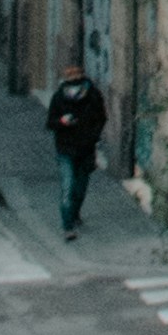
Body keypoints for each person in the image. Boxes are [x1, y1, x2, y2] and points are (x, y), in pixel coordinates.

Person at [46, 66, 106, 237]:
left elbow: (101, 118)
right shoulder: (59, 98)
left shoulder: (93, 96)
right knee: (67, 186)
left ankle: (75, 213)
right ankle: (67, 226)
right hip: (65, 148)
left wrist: (92, 136)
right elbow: (50, 122)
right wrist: (61, 121)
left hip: (86, 149)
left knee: (79, 188)